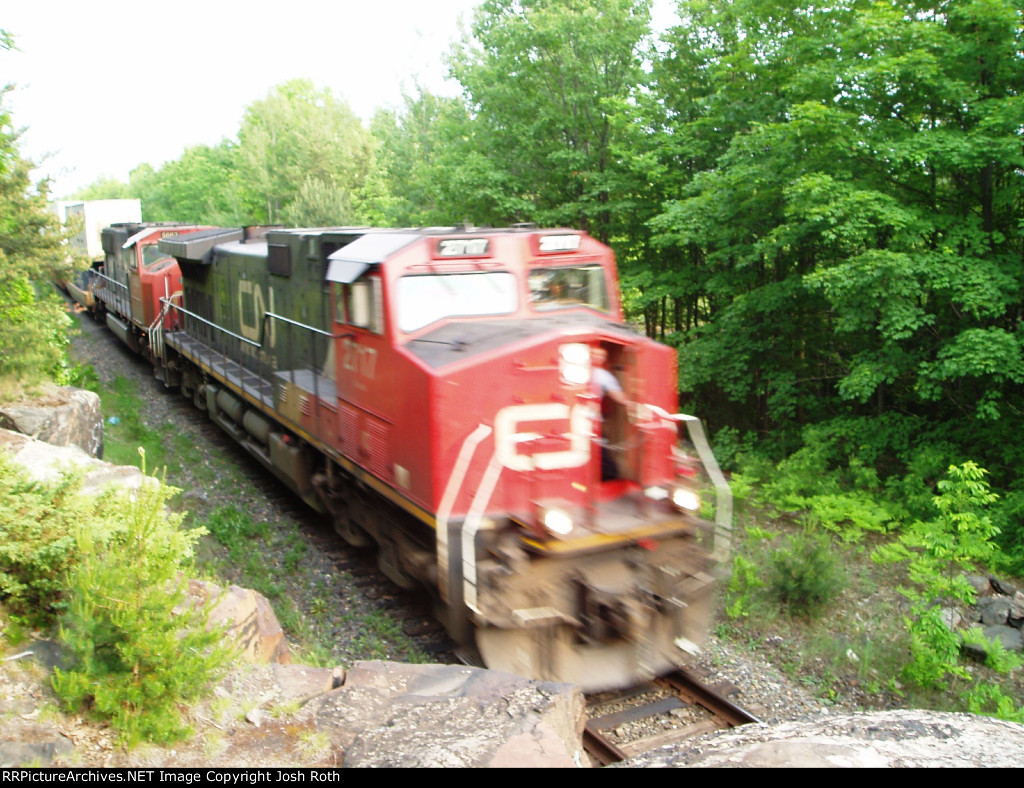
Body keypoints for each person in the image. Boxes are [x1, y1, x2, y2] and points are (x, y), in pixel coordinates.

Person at [590, 347, 630, 480]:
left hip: (592, 421)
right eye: (595, 353)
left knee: (600, 453)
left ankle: (610, 478)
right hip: (584, 421)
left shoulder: (603, 376)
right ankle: (611, 478)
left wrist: (633, 405)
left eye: (602, 355)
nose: (598, 357)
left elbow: (618, 396)